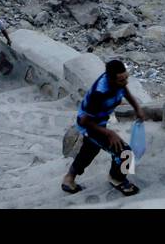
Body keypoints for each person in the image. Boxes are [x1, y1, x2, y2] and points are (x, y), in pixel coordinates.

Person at [61, 59, 146, 196]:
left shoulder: (118, 82)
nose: (125, 82)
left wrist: (137, 108)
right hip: (90, 126)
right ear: (110, 80)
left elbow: (125, 91)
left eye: (126, 78)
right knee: (125, 152)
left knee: (90, 149)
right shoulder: (99, 93)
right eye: (121, 80)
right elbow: (84, 121)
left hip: (100, 121)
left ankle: (69, 178)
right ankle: (117, 178)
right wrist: (109, 133)